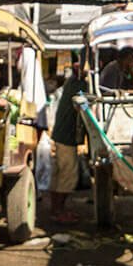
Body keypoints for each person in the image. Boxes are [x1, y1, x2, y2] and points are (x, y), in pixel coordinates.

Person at [48, 59, 88, 223]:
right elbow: (84, 106)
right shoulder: (78, 85)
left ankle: (57, 210)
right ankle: (58, 211)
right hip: (66, 135)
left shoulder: (72, 82)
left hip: (61, 134)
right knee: (68, 175)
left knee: (59, 174)